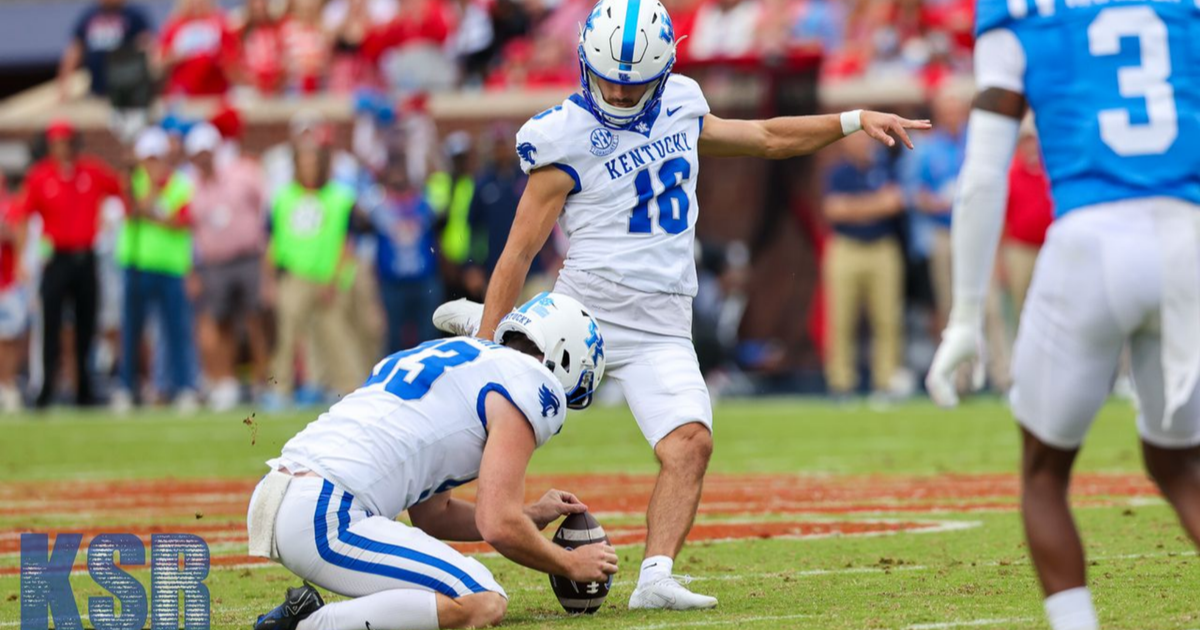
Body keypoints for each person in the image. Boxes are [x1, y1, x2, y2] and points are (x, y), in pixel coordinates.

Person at [433, 0, 929, 610]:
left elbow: (769, 138)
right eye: (608, 76)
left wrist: (852, 118)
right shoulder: (560, 134)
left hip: (664, 320)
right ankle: (495, 333)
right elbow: (516, 254)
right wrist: (487, 354)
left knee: (690, 443)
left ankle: (656, 578)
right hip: (580, 315)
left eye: (633, 80)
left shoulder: (682, 103)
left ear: (664, 71)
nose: (617, 90)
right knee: (498, 418)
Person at [926, 2, 1200, 630]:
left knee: (1044, 472)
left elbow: (982, 173)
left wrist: (965, 315)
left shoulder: (1021, 12)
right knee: (1182, 463)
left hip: (1089, 237)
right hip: (1187, 234)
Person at [247, 292, 612, 630]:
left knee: (463, 594)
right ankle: (308, 625)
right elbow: (497, 524)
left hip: (283, 494)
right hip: (326, 512)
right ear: (563, 357)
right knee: (482, 600)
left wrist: (528, 515)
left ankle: (306, 616)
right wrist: (569, 563)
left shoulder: (462, 356)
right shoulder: (532, 381)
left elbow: (433, 516)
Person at [19, 120, 124, 408]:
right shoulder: (40, 176)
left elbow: (120, 192)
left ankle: (84, 388)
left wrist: (108, 216)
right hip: (56, 259)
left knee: (86, 325)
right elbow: (24, 216)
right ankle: (46, 388)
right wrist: (20, 260)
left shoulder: (91, 171)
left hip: (85, 257)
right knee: (50, 325)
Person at [264, 141, 362, 408]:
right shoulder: (284, 198)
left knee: (335, 335)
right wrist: (270, 278)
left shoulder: (339, 198)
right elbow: (274, 239)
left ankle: (347, 386)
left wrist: (335, 277)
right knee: (287, 335)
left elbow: (347, 242)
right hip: (294, 274)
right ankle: (280, 388)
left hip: (328, 278)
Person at [185, 123, 270, 411]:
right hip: (214, 264)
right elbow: (190, 230)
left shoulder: (242, 172)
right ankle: (226, 383)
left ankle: (264, 383)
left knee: (256, 320)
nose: (203, 159)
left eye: (206, 152)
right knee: (219, 324)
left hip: (247, 257)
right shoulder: (190, 184)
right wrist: (192, 269)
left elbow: (265, 208)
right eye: (198, 155)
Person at [114, 127, 199, 411]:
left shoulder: (181, 183)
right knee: (132, 331)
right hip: (137, 265)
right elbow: (135, 211)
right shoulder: (132, 182)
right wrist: (152, 197)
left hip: (171, 267)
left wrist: (151, 211)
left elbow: (181, 221)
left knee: (177, 331)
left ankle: (184, 387)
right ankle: (128, 388)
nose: (153, 165)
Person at [821, 131, 905, 400]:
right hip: (846, 247)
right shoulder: (838, 172)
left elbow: (896, 202)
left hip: (882, 247)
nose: (861, 144)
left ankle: (885, 381)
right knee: (842, 319)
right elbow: (834, 210)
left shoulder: (885, 168)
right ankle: (841, 383)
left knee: (887, 319)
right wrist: (876, 205)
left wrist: (855, 208)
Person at [367, 157, 442, 353]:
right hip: (393, 281)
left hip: (423, 278)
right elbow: (360, 219)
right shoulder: (379, 204)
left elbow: (439, 219)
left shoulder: (423, 201)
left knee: (428, 334)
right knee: (393, 337)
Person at [58, 0, 154, 100]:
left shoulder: (134, 16)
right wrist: (64, 86)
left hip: (126, 92)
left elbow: (147, 47)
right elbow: (74, 51)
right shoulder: (89, 16)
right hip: (97, 91)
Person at [0, 178, 28, 412]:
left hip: (7, 282)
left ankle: (8, 384)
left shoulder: (10, 205)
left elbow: (16, 233)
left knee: (10, 337)